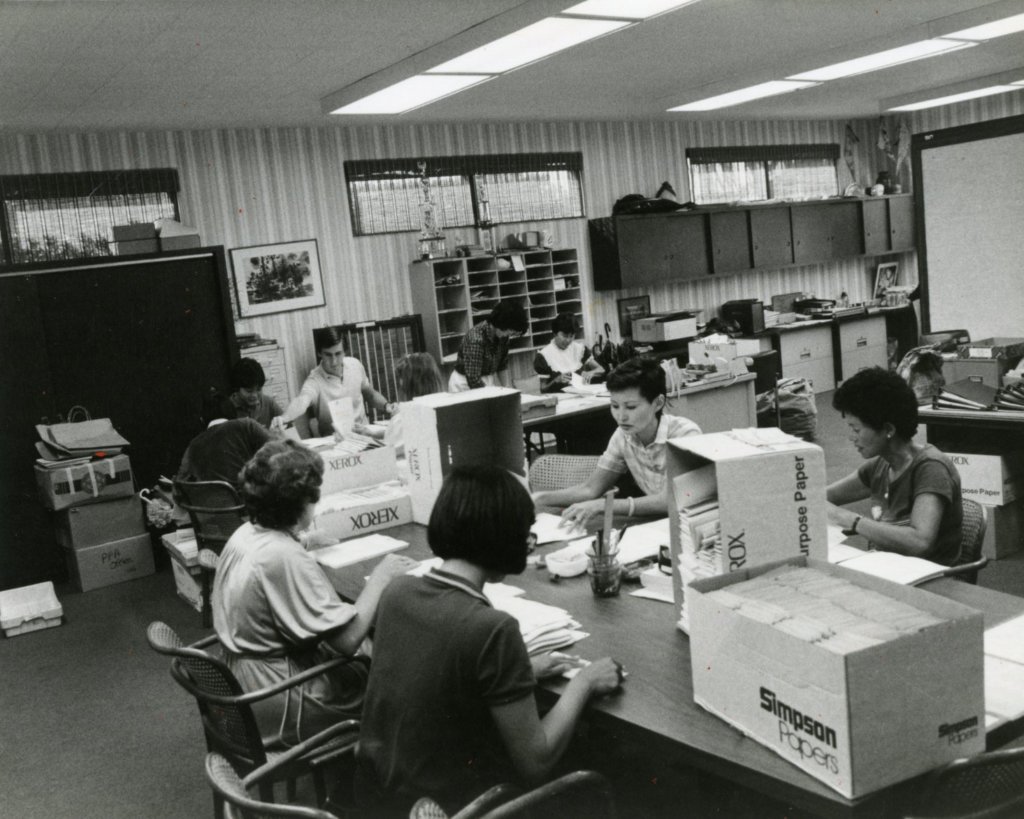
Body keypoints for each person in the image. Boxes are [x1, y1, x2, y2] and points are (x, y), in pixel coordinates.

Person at [355, 465, 623, 816]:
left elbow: (439, 679)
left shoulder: (398, 591)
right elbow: (536, 762)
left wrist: (519, 670)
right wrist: (584, 683)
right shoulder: (493, 628)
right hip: (456, 806)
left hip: (378, 797)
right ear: (503, 538)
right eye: (526, 532)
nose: (530, 542)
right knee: (603, 772)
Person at [211, 439, 417, 746]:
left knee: (376, 653)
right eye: (313, 498)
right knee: (398, 666)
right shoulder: (284, 557)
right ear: (297, 504)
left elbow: (269, 557)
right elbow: (346, 642)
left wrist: (305, 540)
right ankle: (386, 761)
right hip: (281, 696)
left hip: (242, 685)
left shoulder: (246, 534)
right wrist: (381, 577)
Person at [532, 357, 701, 525]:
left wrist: (606, 505)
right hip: (657, 525)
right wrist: (539, 497)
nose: (621, 416)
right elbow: (590, 489)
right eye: (614, 406)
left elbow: (669, 500)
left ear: (658, 403)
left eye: (631, 407)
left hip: (693, 525)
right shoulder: (623, 436)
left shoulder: (685, 434)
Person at [826, 367, 963, 565]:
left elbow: (920, 542)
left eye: (856, 429)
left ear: (888, 429)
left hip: (930, 580)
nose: (851, 437)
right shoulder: (880, 466)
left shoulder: (931, 469)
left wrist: (851, 520)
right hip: (890, 569)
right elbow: (822, 497)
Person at [273, 327, 395, 437]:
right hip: (335, 441)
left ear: (345, 351)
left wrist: (387, 405)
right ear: (319, 353)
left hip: (365, 434)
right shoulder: (314, 379)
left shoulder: (355, 365)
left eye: (338, 354)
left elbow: (370, 394)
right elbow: (302, 400)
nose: (334, 361)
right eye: (328, 355)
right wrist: (285, 418)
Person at [175, 390, 271, 488]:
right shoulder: (247, 425)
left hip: (210, 501)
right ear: (233, 413)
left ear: (202, 420)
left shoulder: (193, 445)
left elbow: (180, 483)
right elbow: (280, 449)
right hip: (250, 497)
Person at [356, 352, 444, 455]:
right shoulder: (441, 405)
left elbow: (386, 453)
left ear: (407, 386)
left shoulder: (404, 418)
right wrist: (374, 434)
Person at [449, 300, 528, 392]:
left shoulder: (503, 336)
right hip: (463, 384)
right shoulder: (475, 338)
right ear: (502, 324)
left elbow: (502, 365)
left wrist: (507, 389)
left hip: (486, 380)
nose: (510, 334)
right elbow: (473, 380)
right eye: (510, 331)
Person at [533, 312, 604, 392]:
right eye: (564, 336)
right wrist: (556, 381)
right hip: (559, 400)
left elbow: (601, 369)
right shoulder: (544, 355)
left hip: (581, 396)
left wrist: (591, 373)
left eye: (572, 336)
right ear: (555, 334)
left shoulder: (579, 349)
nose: (568, 340)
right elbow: (542, 389)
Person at [228, 357, 282, 428]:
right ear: (237, 388)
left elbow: (289, 428)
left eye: (259, 389)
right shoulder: (227, 408)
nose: (255, 395)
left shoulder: (268, 403)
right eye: (249, 391)